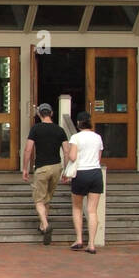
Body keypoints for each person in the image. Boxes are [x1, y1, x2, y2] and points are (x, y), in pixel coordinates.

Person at [22, 102, 68, 244]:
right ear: (51, 113)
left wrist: (25, 168)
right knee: (47, 198)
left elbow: (28, 149)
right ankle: (42, 225)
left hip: (42, 168)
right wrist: (66, 170)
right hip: (56, 167)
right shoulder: (60, 130)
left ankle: (46, 225)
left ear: (39, 114)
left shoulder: (36, 129)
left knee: (39, 200)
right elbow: (66, 151)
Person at [63, 111, 104, 253]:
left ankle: (79, 239)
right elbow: (98, 158)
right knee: (92, 210)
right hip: (96, 174)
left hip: (81, 173)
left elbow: (72, 156)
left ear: (79, 123)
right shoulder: (98, 137)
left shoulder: (76, 137)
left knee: (77, 207)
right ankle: (91, 244)